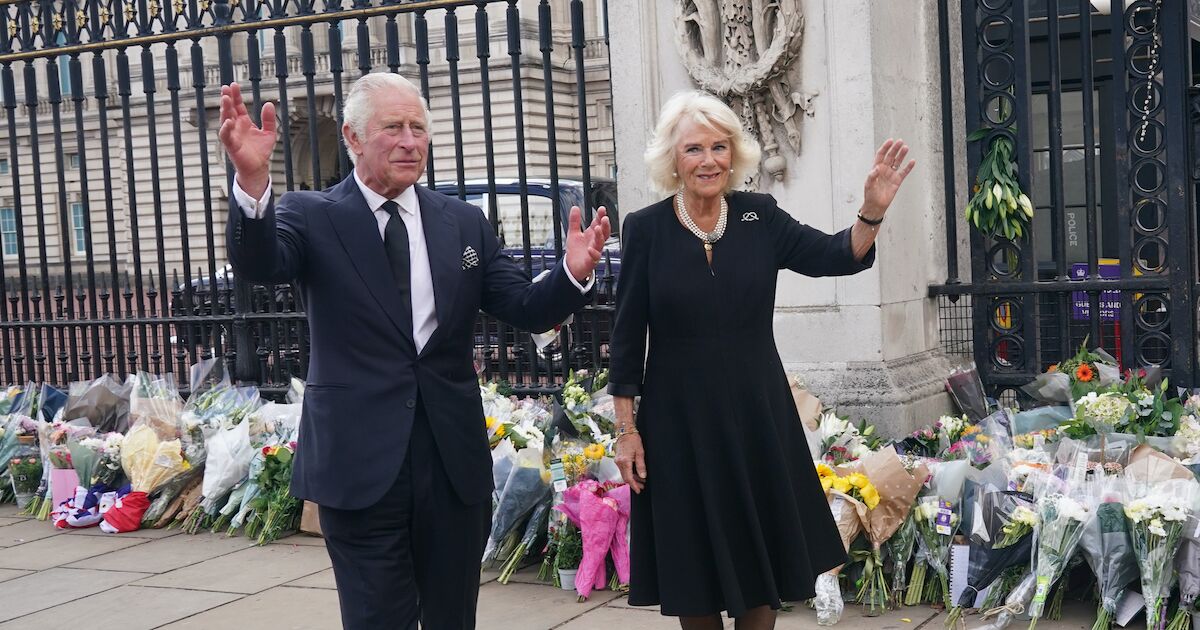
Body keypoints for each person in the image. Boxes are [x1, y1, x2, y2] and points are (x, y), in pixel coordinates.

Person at [218, 72, 610, 630]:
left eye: (418, 128)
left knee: (453, 618)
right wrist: (253, 182)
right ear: (352, 137)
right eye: (393, 128)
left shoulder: (463, 222)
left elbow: (523, 306)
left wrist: (571, 275)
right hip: (359, 465)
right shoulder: (313, 215)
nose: (410, 141)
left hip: (451, 463)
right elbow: (260, 265)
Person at [608, 91, 914, 630]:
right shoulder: (646, 229)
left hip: (757, 416)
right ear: (673, 160)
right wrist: (627, 430)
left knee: (760, 564)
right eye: (694, 149)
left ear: (735, 154)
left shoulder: (760, 217)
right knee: (696, 569)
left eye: (719, 147)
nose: (708, 160)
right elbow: (628, 337)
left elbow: (836, 255)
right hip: (679, 423)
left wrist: (872, 211)